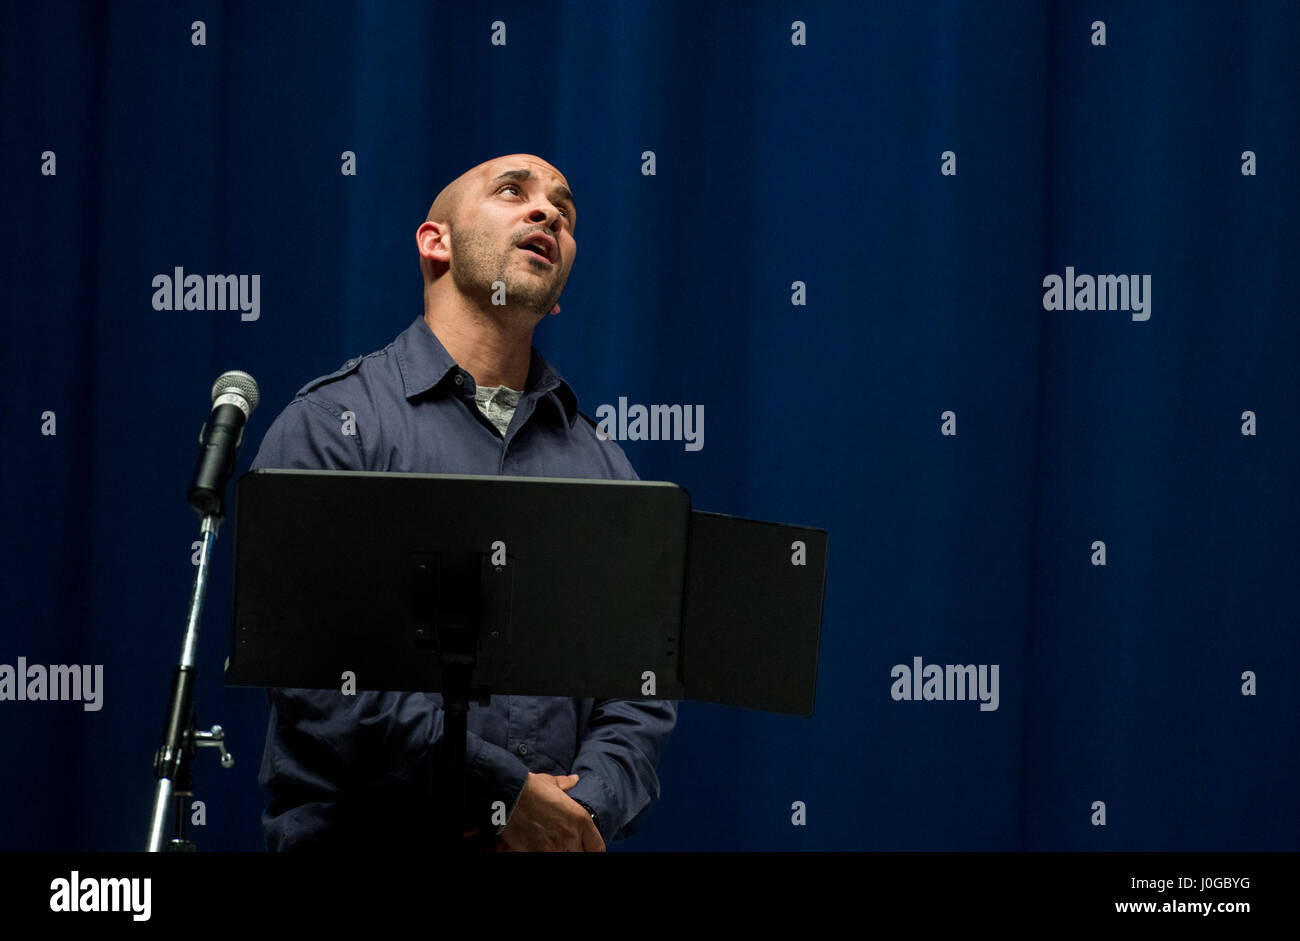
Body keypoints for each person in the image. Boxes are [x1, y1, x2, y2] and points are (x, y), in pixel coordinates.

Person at [248, 153, 677, 851]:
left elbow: (642, 690)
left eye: (563, 212)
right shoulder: (334, 427)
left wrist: (587, 809)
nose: (548, 213)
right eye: (514, 191)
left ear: (560, 289)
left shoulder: (607, 469)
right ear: (434, 242)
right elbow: (318, 676)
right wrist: (501, 789)